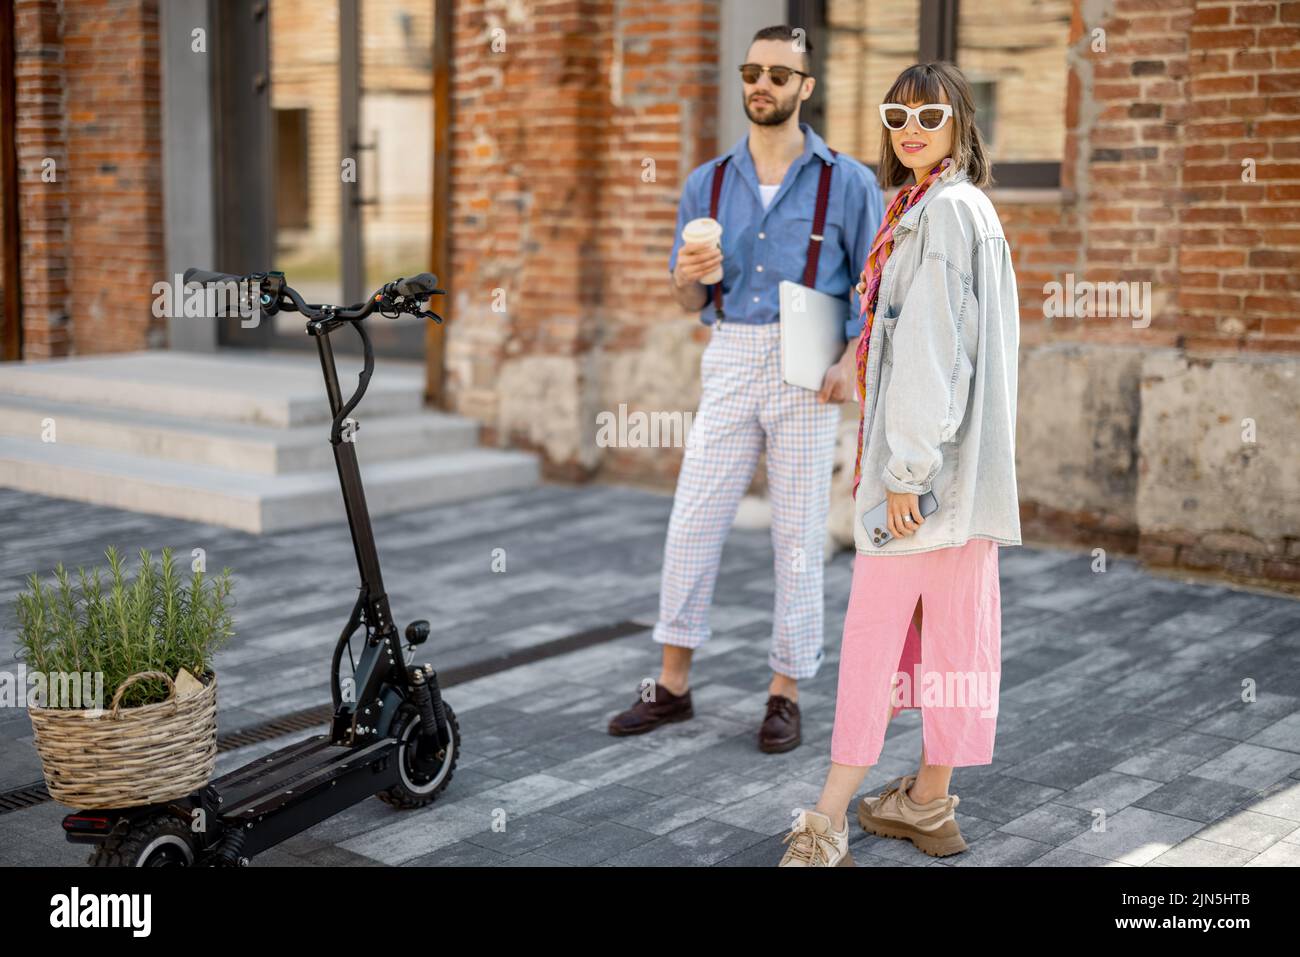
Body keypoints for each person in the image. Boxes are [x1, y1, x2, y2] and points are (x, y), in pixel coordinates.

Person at [606, 24, 885, 752]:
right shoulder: (708, 181)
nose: (762, 84)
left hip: (807, 360)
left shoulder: (846, 181)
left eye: (779, 75)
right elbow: (690, 300)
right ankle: (671, 686)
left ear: (805, 88)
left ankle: (784, 691)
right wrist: (683, 279)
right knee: (694, 518)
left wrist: (850, 358)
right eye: (752, 71)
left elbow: (877, 285)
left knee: (797, 536)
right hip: (729, 349)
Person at [778, 61, 1022, 867]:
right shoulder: (955, 208)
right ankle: (926, 802)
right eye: (896, 115)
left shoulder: (941, 215)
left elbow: (931, 355)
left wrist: (905, 471)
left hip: (920, 483)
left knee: (875, 646)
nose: (910, 128)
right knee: (955, 645)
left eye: (929, 114)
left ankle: (826, 822)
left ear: (961, 122)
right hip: (962, 486)